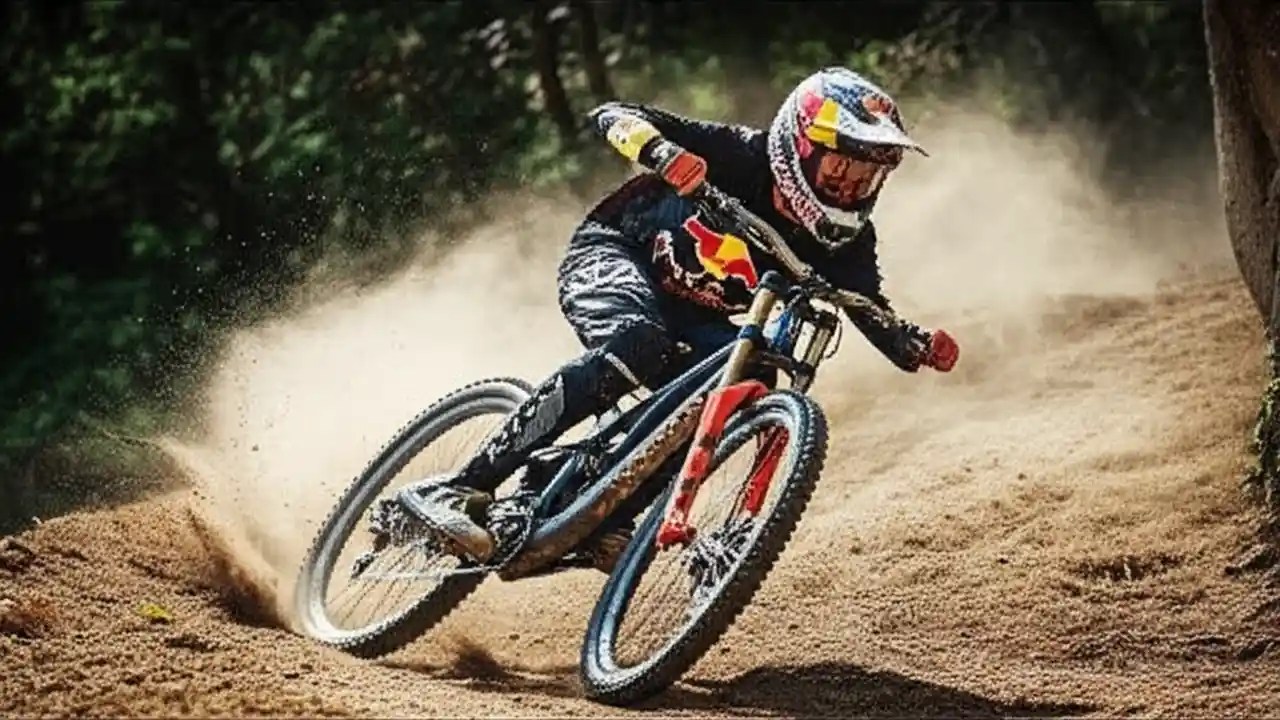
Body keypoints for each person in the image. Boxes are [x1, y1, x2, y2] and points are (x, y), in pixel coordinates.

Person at [399, 66, 959, 566]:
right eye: (840, 169)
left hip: (697, 319)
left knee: (747, 382)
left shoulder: (848, 244)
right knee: (640, 342)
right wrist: (660, 152)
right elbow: (611, 115)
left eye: (865, 177)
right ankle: (458, 487)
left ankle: (607, 514)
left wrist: (912, 347)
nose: (851, 187)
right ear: (800, 146)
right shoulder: (739, 154)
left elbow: (869, 308)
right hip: (616, 253)